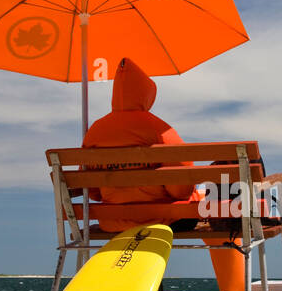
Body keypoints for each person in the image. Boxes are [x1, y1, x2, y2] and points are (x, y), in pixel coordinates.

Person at [82, 56, 196, 233]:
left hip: (112, 223)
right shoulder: (160, 129)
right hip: (161, 221)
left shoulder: (94, 131)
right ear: (146, 94)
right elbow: (181, 189)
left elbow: (93, 193)